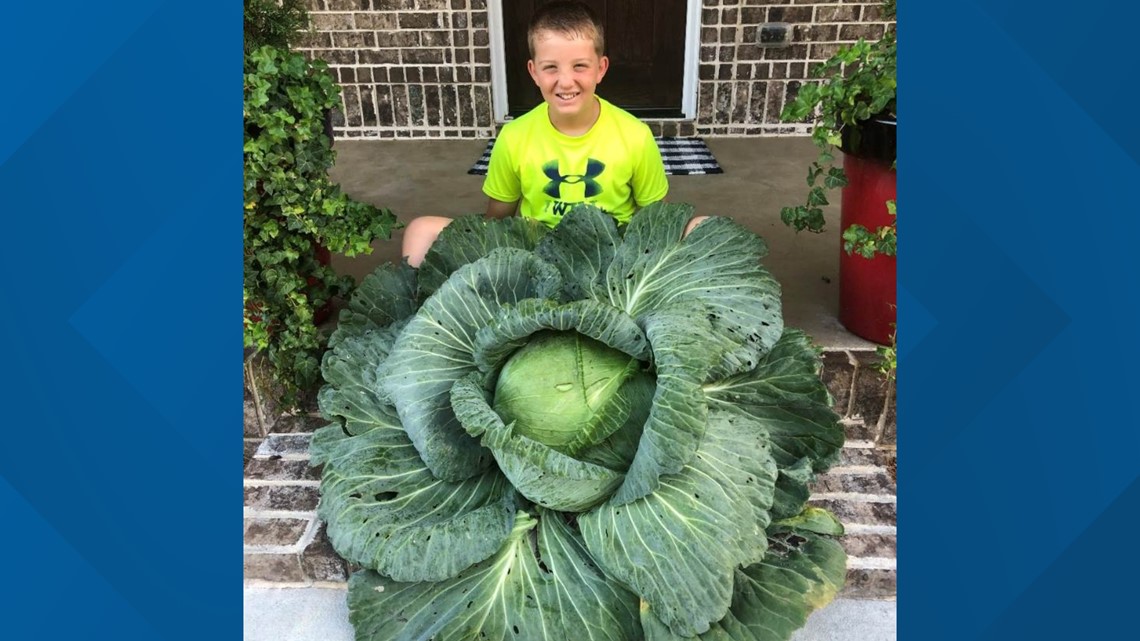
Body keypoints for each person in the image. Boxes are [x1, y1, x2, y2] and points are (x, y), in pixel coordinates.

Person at [401, 0, 703, 268]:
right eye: (551, 68)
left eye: (580, 66)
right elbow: (497, 222)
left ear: (601, 68)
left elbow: (657, 222)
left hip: (613, 261)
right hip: (536, 259)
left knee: (703, 227)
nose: (566, 81)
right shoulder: (514, 137)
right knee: (421, 230)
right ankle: (420, 321)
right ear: (533, 72)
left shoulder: (635, 135)